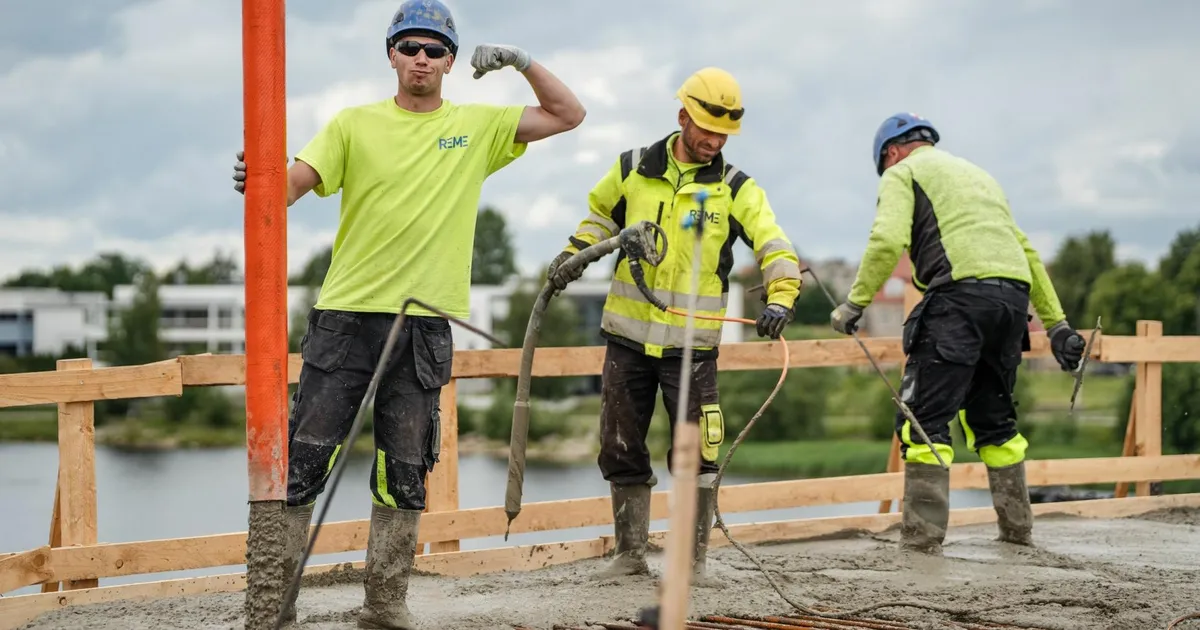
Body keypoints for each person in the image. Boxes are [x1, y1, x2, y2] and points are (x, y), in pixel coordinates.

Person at [232, 1, 585, 627]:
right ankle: (272, 607)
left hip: (423, 326)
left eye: (434, 50)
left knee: (404, 468)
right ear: (391, 54)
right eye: (410, 47)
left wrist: (521, 62)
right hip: (345, 317)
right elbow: (290, 186)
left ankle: (385, 605)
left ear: (450, 61)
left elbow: (568, 114)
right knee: (305, 459)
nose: (421, 58)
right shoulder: (352, 125)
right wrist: (258, 176)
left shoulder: (478, 128)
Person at [546, 67, 802, 584]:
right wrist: (573, 256)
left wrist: (782, 295)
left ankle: (692, 563)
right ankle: (630, 557)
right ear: (682, 116)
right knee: (620, 447)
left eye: (722, 134)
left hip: (693, 347)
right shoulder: (632, 169)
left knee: (699, 454)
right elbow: (599, 218)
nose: (712, 141)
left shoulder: (735, 188)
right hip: (628, 340)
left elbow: (773, 244)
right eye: (705, 128)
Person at [829, 112, 1086, 554]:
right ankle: (1018, 534)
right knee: (996, 424)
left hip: (958, 303)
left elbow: (887, 238)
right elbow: (1026, 252)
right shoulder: (980, 178)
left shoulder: (902, 172)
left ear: (891, 152)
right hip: (1011, 304)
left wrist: (855, 303)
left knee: (923, 422)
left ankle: (922, 546)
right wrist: (1058, 323)